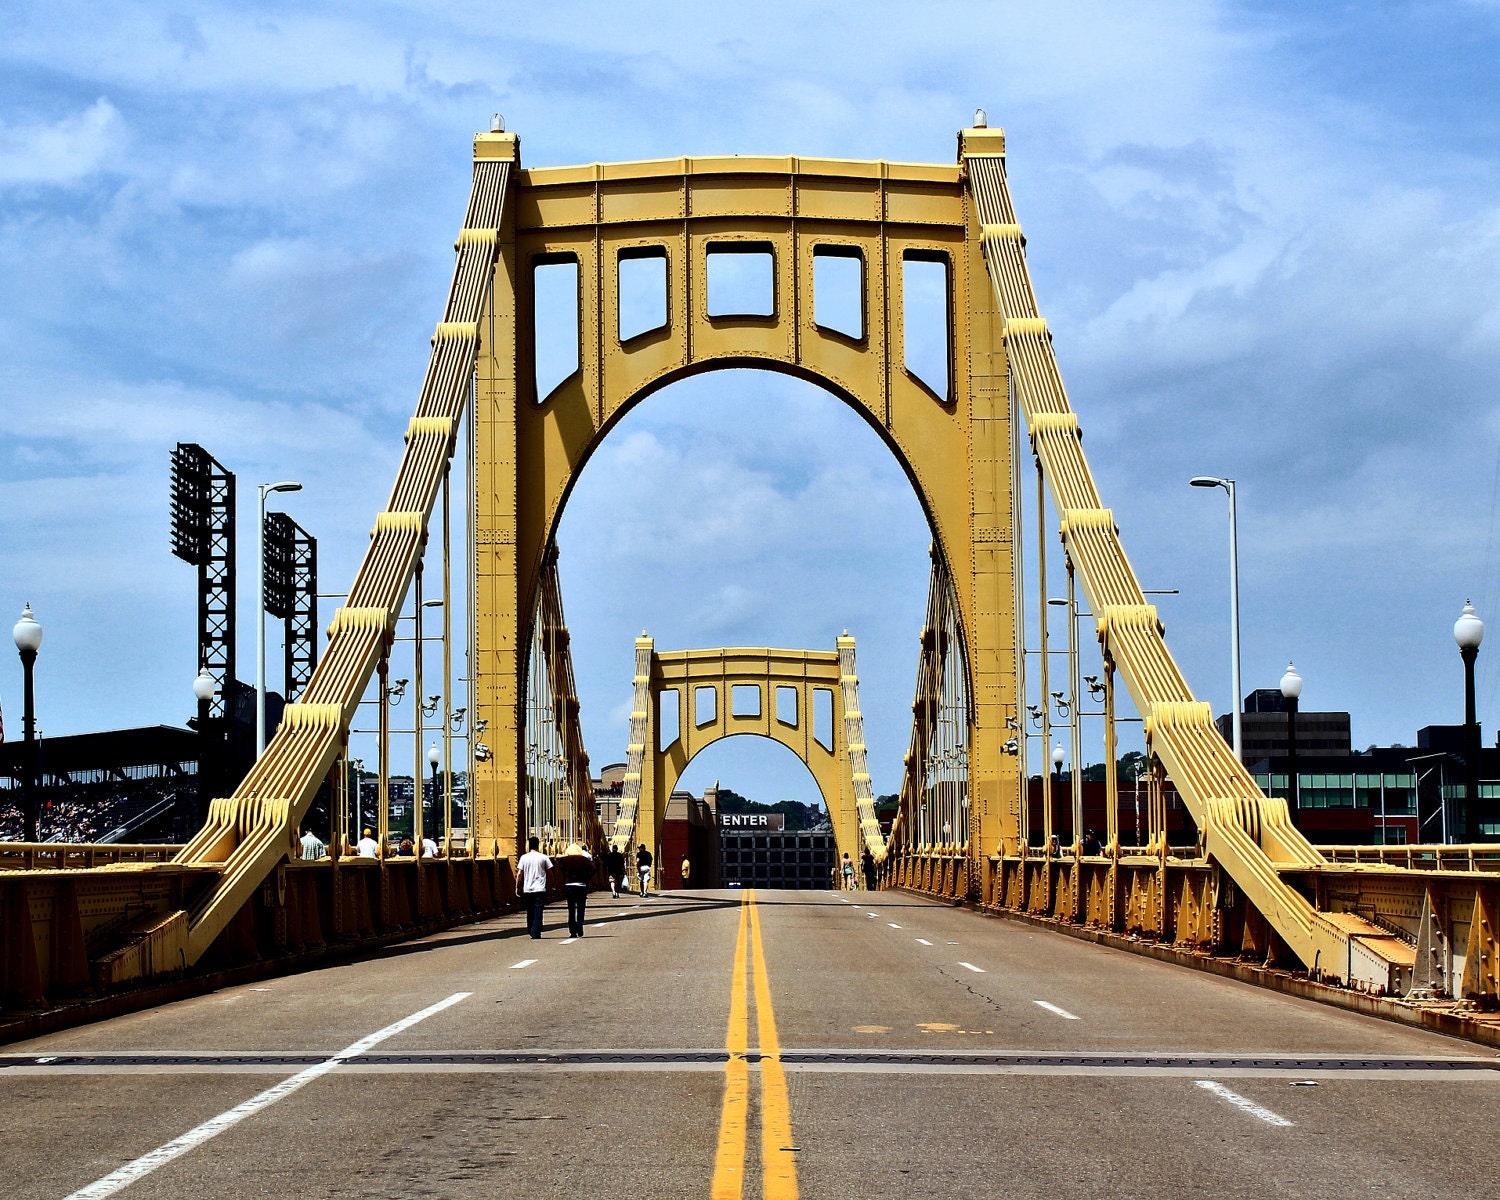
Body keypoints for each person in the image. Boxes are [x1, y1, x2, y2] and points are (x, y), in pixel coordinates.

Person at [517, 835, 553, 938]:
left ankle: (530, 929)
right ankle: (536, 931)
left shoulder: (524, 857)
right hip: (540, 888)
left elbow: (520, 874)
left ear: (529, 845)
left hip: (527, 889)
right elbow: (550, 872)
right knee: (538, 910)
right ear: (538, 845)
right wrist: (552, 885)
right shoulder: (543, 857)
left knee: (530, 910)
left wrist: (517, 886)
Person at [560, 843, 593, 937]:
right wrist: (587, 878)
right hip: (581, 886)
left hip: (569, 886)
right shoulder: (583, 859)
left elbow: (561, 870)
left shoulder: (565, 860)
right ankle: (579, 926)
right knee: (581, 908)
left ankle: (572, 931)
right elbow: (593, 868)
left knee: (571, 909)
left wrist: (565, 879)